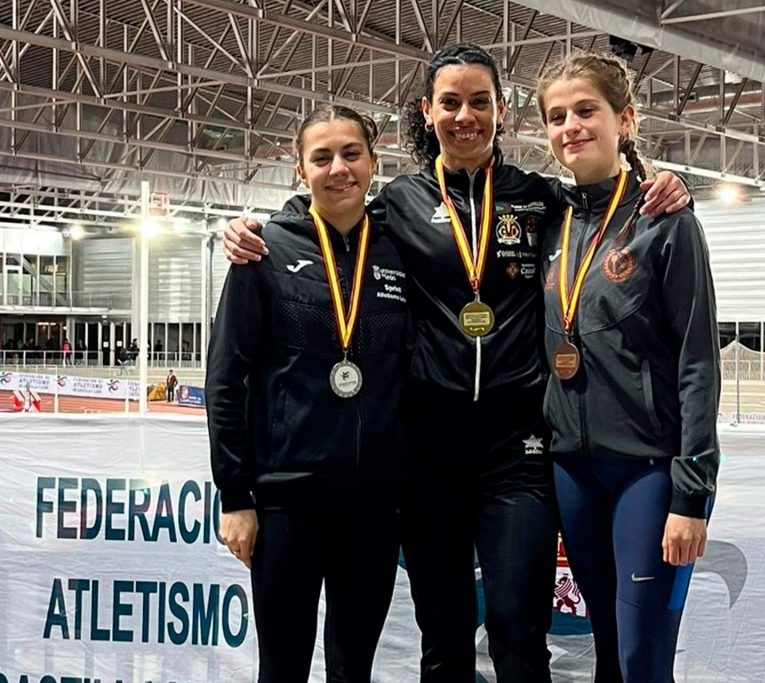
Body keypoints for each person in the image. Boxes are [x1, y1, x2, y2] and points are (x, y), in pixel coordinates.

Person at [221, 43, 691, 683]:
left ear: (501, 109)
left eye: (479, 101)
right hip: (427, 455)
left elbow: (601, 199)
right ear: (428, 111)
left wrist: (662, 182)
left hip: (517, 451)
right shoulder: (400, 204)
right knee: (442, 635)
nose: (464, 116)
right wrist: (261, 225)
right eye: (450, 103)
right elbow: (331, 212)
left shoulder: (538, 200)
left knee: (515, 628)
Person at [205, 104, 409, 682]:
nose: (338, 168)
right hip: (287, 502)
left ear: (373, 163)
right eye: (322, 157)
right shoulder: (263, 251)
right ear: (300, 170)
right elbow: (226, 380)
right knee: (284, 666)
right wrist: (235, 496)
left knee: (353, 668)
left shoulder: (399, 252)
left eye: (352, 153)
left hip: (372, 504)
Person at [534, 52, 720, 682]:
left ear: (626, 119)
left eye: (586, 111)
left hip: (651, 473)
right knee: (608, 652)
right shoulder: (547, 220)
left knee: (643, 659)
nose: (570, 127)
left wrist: (692, 493)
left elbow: (698, 363)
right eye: (557, 117)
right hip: (572, 471)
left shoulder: (666, 222)